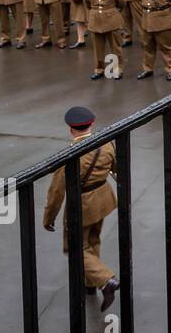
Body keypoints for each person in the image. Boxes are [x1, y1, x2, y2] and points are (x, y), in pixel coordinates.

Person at [42, 106, 119, 312]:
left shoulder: (70, 155)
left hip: (82, 205)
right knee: (93, 240)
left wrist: (49, 217)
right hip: (104, 198)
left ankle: (106, 280)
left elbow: (56, 192)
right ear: (91, 124)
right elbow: (117, 168)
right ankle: (90, 284)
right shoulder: (107, 144)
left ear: (70, 129)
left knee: (75, 247)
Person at [83, 0, 126, 79]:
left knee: (115, 47)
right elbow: (87, 3)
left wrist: (113, 12)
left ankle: (117, 69)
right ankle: (99, 69)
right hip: (95, 20)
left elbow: (121, 2)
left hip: (111, 20)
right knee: (98, 48)